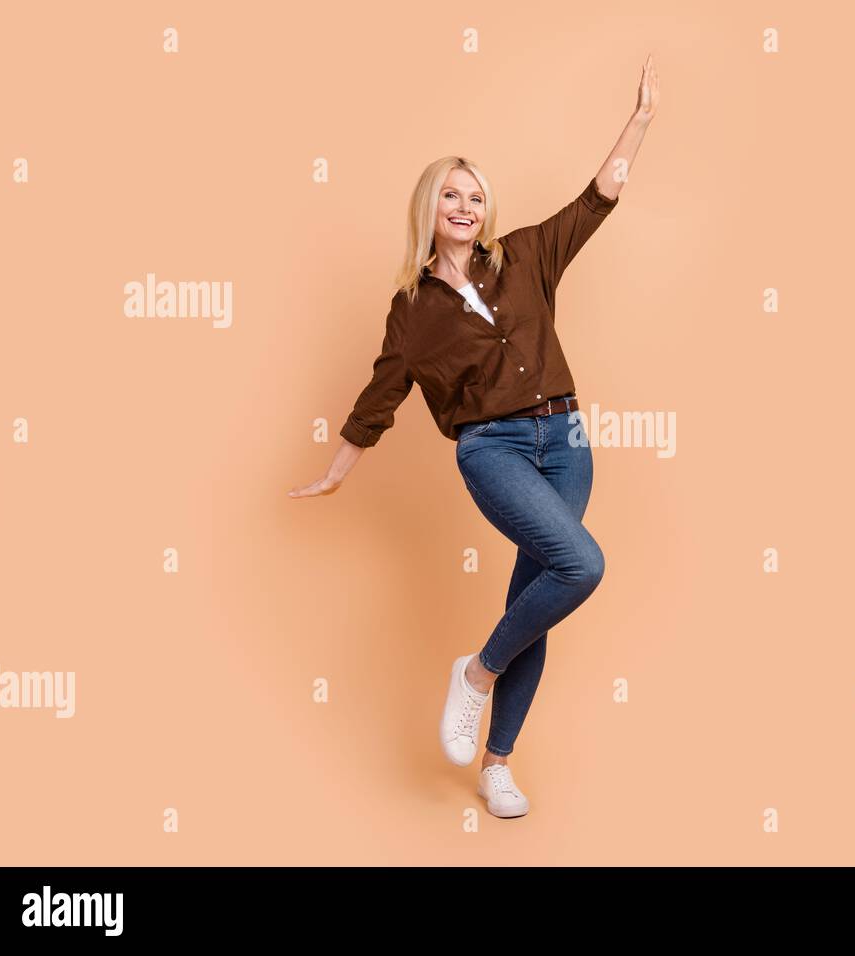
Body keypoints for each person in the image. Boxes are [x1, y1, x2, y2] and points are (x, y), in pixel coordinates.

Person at [290, 55, 659, 818]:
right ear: (430, 207)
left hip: (566, 441)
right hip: (491, 449)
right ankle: (477, 673)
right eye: (451, 194)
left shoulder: (524, 256)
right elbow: (378, 399)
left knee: (539, 591)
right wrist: (335, 472)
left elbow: (598, 199)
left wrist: (641, 119)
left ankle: (497, 763)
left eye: (475, 195)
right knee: (581, 565)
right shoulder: (411, 311)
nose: (465, 205)